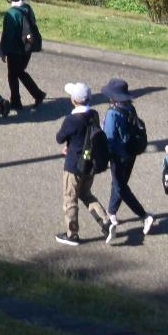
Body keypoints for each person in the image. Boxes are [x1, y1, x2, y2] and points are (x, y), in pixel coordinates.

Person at [56, 81, 116, 245]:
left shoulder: (72, 119)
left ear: (74, 101)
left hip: (74, 166)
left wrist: (68, 144)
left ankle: (72, 234)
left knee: (70, 199)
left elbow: (59, 137)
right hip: (90, 164)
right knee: (85, 194)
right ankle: (106, 222)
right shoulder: (94, 114)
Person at [102, 78, 152, 236]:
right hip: (131, 152)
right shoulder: (130, 108)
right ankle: (112, 212)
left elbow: (109, 138)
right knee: (119, 182)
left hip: (118, 154)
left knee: (120, 187)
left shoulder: (112, 113)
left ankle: (144, 215)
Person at [0, 0, 47, 109]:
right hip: (27, 47)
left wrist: (3, 51)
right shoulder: (28, 8)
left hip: (15, 50)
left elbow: (8, 35)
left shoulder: (11, 14)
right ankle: (36, 94)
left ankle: (18, 100)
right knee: (20, 72)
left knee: (13, 75)